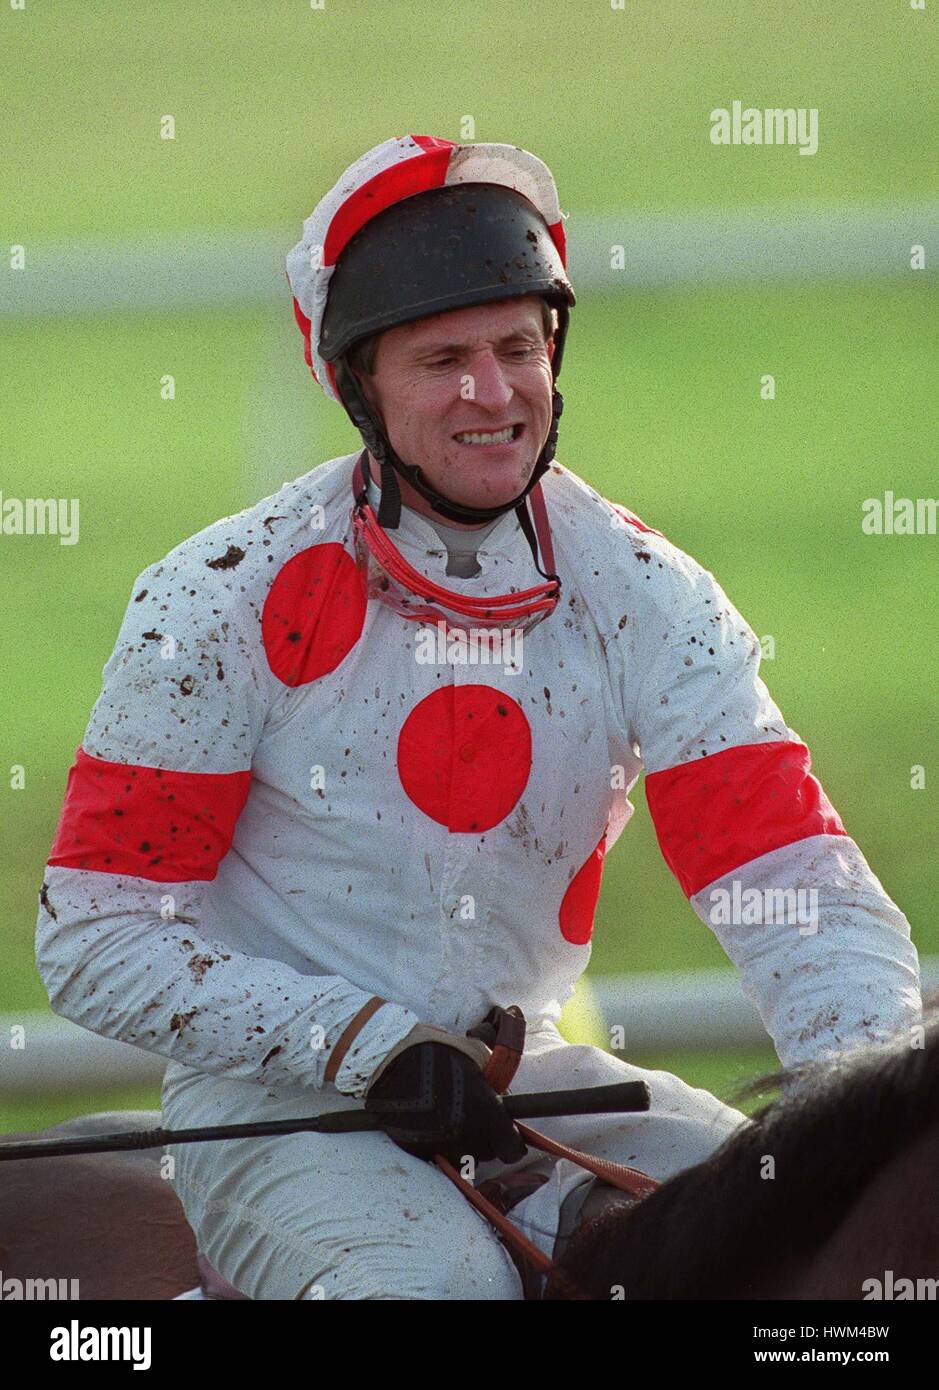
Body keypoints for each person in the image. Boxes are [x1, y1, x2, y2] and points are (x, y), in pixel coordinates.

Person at [35, 135, 922, 1300]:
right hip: (274, 1102)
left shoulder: (649, 592)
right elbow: (96, 930)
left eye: (517, 348)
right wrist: (360, 1044)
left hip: (532, 1075)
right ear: (357, 381)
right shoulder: (218, 596)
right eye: (442, 358)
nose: (493, 393)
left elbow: (786, 870)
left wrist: (863, 1099)